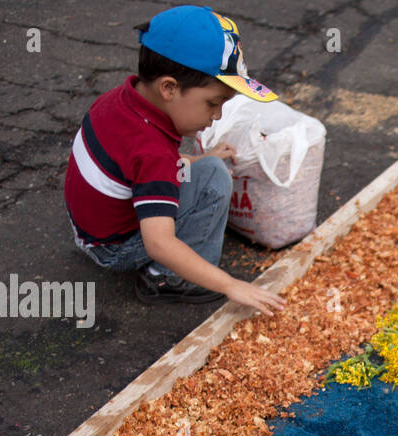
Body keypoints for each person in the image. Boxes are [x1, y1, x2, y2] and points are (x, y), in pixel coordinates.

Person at [64, 5, 286, 310]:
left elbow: (140, 167)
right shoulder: (152, 150)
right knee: (213, 179)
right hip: (114, 250)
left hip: (88, 234)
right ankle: (165, 279)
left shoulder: (122, 100)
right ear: (168, 87)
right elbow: (159, 242)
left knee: (206, 167)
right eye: (212, 103)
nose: (217, 115)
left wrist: (201, 158)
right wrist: (231, 285)